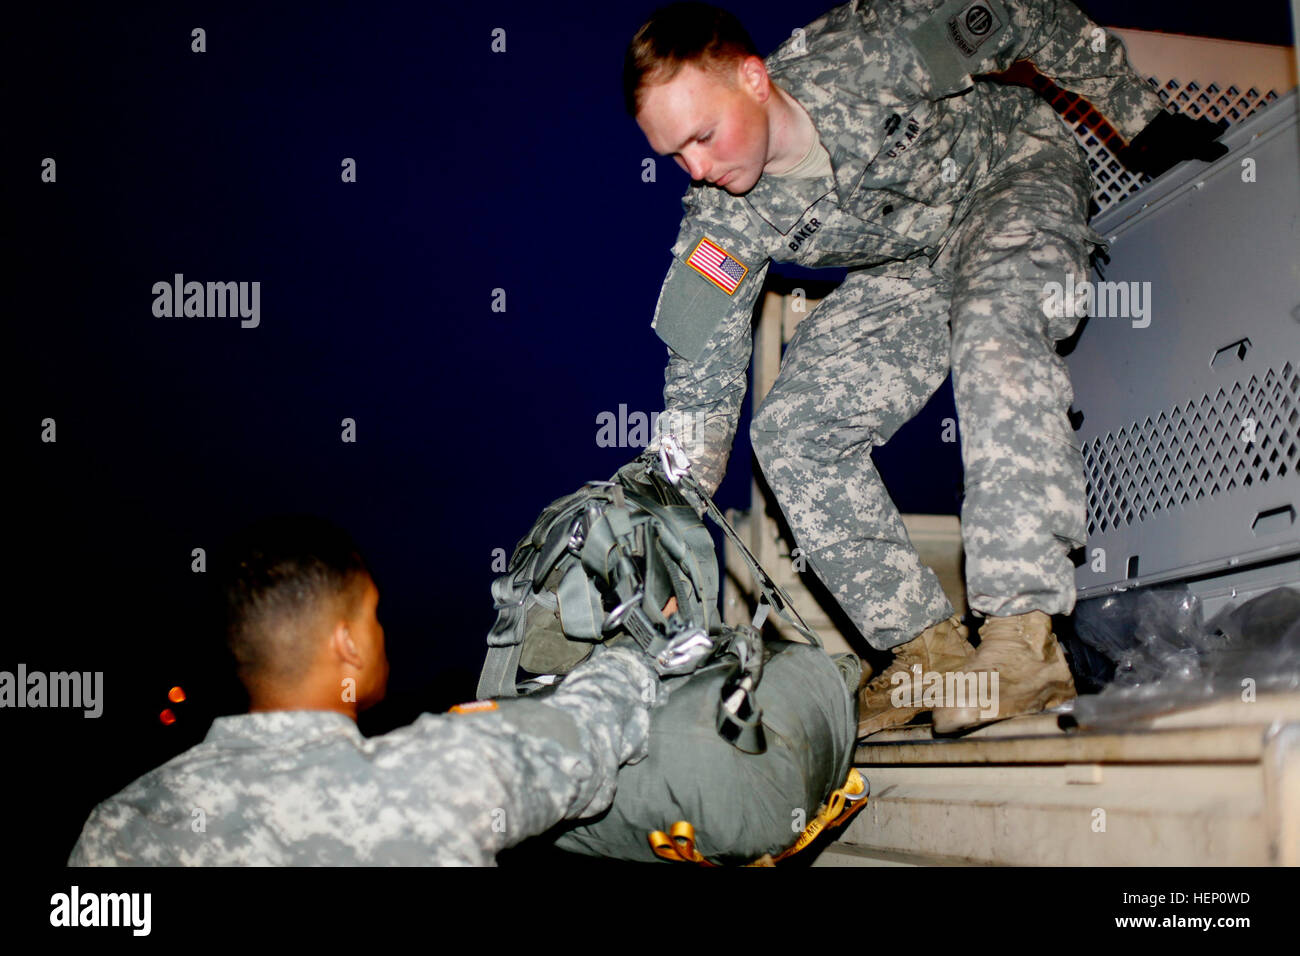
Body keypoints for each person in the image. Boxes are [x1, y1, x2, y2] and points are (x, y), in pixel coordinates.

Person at [623, 0, 1226, 735]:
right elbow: (700, 371)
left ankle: (1021, 640)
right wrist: (668, 511)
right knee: (791, 429)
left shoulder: (871, 53)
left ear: (752, 78)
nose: (698, 168)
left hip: (1010, 179)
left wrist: (1139, 117)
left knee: (994, 326)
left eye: (703, 136)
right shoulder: (720, 219)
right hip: (908, 264)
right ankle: (925, 650)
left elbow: (1023, 17)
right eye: (675, 155)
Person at [67, 515, 665, 865]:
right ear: (347, 645)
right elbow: (588, 729)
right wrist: (642, 650)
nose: (383, 634)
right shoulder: (435, 774)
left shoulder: (116, 827)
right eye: (373, 616)